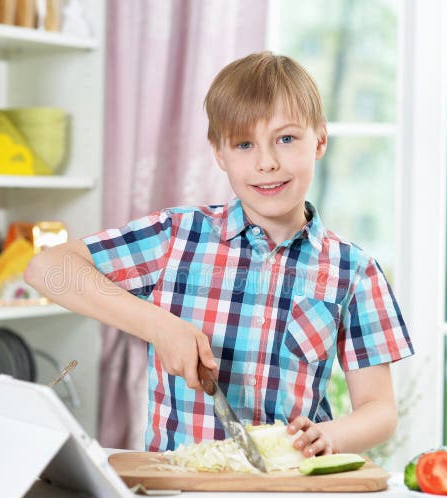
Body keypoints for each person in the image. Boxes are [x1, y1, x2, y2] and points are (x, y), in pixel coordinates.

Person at [24, 51, 414, 456]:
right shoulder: (175, 237)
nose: (267, 162)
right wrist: (158, 326)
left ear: (319, 139)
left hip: (287, 493)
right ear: (218, 153)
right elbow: (47, 268)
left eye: (286, 139)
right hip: (181, 495)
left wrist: (331, 436)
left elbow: (379, 410)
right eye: (244, 144)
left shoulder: (353, 270)